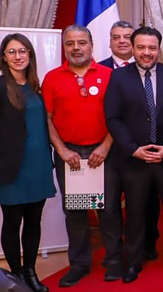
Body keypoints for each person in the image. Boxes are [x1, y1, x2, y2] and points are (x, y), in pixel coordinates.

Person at [104, 27, 163, 283]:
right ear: (133, 48)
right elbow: (113, 118)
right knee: (135, 215)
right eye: (141, 47)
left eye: (152, 48)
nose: (146, 52)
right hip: (134, 159)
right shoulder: (119, 78)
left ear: (158, 49)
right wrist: (133, 149)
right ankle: (133, 263)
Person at [0, 33, 56, 292]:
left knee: (33, 222)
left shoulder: (36, 87)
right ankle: (17, 275)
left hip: (39, 166)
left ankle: (30, 273)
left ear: (30, 55)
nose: (18, 56)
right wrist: (0, 155)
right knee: (12, 223)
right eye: (12, 51)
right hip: (11, 170)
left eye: (23, 51)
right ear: (4, 57)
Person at [42, 25, 121, 285]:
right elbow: (48, 119)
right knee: (75, 212)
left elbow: (119, 118)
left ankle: (114, 261)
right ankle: (79, 263)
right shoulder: (52, 78)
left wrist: (105, 147)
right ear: (64, 47)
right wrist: (62, 150)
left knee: (108, 210)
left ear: (91, 45)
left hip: (103, 152)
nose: (76, 48)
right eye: (70, 43)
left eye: (81, 42)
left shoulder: (110, 76)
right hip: (70, 155)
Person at [98, 20, 161, 262]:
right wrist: (105, 145)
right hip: (107, 153)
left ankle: (146, 245)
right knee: (109, 205)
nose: (122, 41)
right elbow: (110, 115)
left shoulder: (151, 69)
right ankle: (114, 252)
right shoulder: (98, 70)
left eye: (127, 36)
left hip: (144, 150)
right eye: (117, 37)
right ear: (109, 42)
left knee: (146, 202)